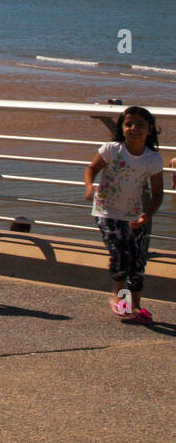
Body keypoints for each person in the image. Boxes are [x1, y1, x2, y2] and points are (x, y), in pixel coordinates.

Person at [85, 106, 164, 323]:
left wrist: (147, 215)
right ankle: (120, 300)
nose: (133, 128)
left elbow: (157, 194)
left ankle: (136, 306)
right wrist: (90, 186)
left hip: (134, 215)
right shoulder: (112, 149)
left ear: (150, 130)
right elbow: (91, 169)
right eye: (128, 124)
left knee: (137, 261)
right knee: (120, 254)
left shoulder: (153, 159)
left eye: (140, 125)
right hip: (106, 212)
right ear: (122, 127)